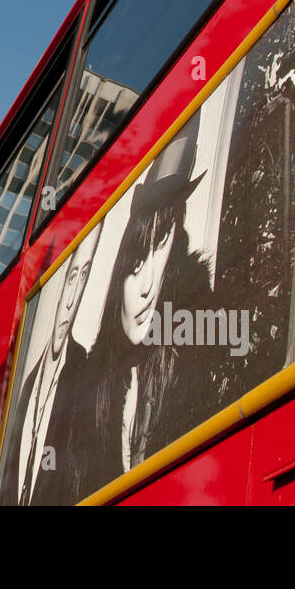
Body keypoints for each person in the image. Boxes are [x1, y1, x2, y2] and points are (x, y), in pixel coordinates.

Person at [86, 110, 214, 478]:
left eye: (162, 253)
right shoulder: (89, 385)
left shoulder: (198, 358)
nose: (147, 287)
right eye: (137, 265)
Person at [0, 224, 100, 505]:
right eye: (71, 278)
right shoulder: (24, 383)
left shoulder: (87, 372)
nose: (70, 301)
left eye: (85, 277)